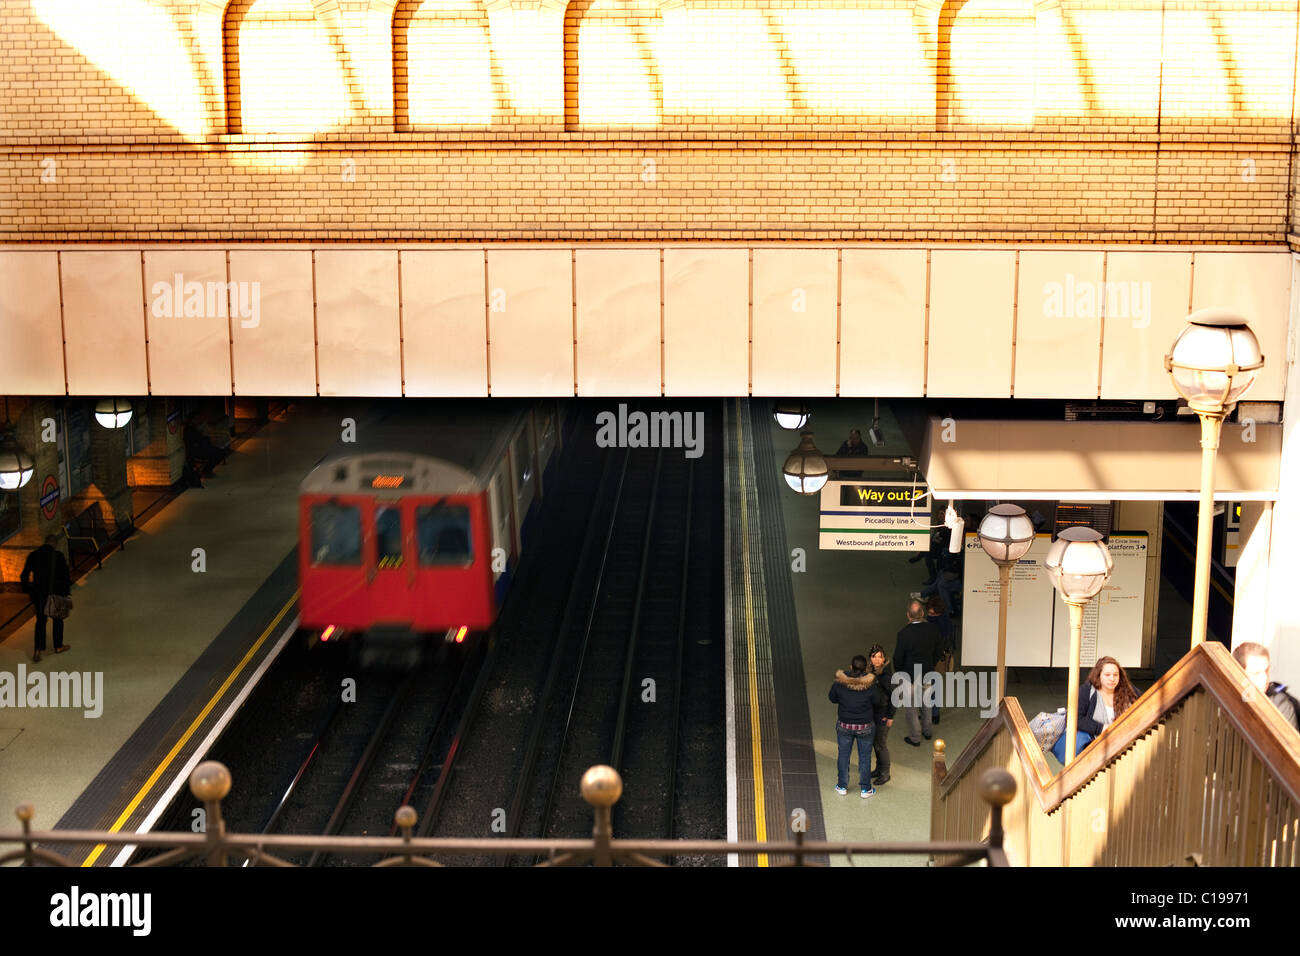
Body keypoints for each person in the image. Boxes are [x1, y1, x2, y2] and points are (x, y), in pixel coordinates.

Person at [1050, 656, 1138, 764]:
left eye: (1116, 675)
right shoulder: (1087, 690)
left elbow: (1146, 703)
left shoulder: (1128, 689)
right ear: (1098, 675)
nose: (1112, 678)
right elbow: (1073, 717)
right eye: (1107, 675)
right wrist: (1101, 728)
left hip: (1122, 746)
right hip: (1094, 750)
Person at [828, 654, 884, 798]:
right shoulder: (870, 684)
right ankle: (865, 789)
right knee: (865, 757)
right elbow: (878, 700)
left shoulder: (840, 682)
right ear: (865, 668)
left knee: (843, 755)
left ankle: (842, 786)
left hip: (844, 725)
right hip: (865, 726)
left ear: (851, 667)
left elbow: (832, 698)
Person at [894, 599, 942, 747]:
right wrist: (932, 664)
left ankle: (915, 737)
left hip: (910, 675)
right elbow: (938, 651)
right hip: (927, 672)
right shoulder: (933, 630)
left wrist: (900, 671)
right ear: (922, 613)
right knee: (927, 703)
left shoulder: (904, 634)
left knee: (911, 708)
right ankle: (927, 731)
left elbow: (898, 657)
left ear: (908, 615)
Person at [20, 535, 72, 663]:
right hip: (55, 594)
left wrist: (29, 591)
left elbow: (24, 575)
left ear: (45, 542)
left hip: (39, 595)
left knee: (40, 622)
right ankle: (58, 646)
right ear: (54, 544)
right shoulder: (58, 556)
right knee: (58, 620)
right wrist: (66, 593)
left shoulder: (33, 555)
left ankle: (38, 649)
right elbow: (65, 576)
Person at [1231, 642, 1300, 731]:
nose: (1264, 678)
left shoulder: (1280, 705)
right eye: (1256, 673)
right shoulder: (1226, 695)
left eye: (1266, 670)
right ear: (1239, 673)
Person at [867, 645, 895, 785]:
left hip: (883, 713)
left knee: (880, 744)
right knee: (875, 742)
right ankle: (878, 769)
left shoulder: (886, 676)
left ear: (884, 658)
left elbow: (895, 696)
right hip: (873, 712)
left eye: (880, 656)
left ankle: (885, 773)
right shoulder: (871, 673)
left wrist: (890, 716)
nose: (877, 660)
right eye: (874, 656)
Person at [927, 595, 955, 725]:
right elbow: (951, 642)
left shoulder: (931, 623)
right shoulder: (948, 623)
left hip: (933, 658)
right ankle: (935, 713)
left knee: (929, 686)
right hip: (943, 658)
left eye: (932, 612)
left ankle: (930, 712)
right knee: (936, 685)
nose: (929, 614)